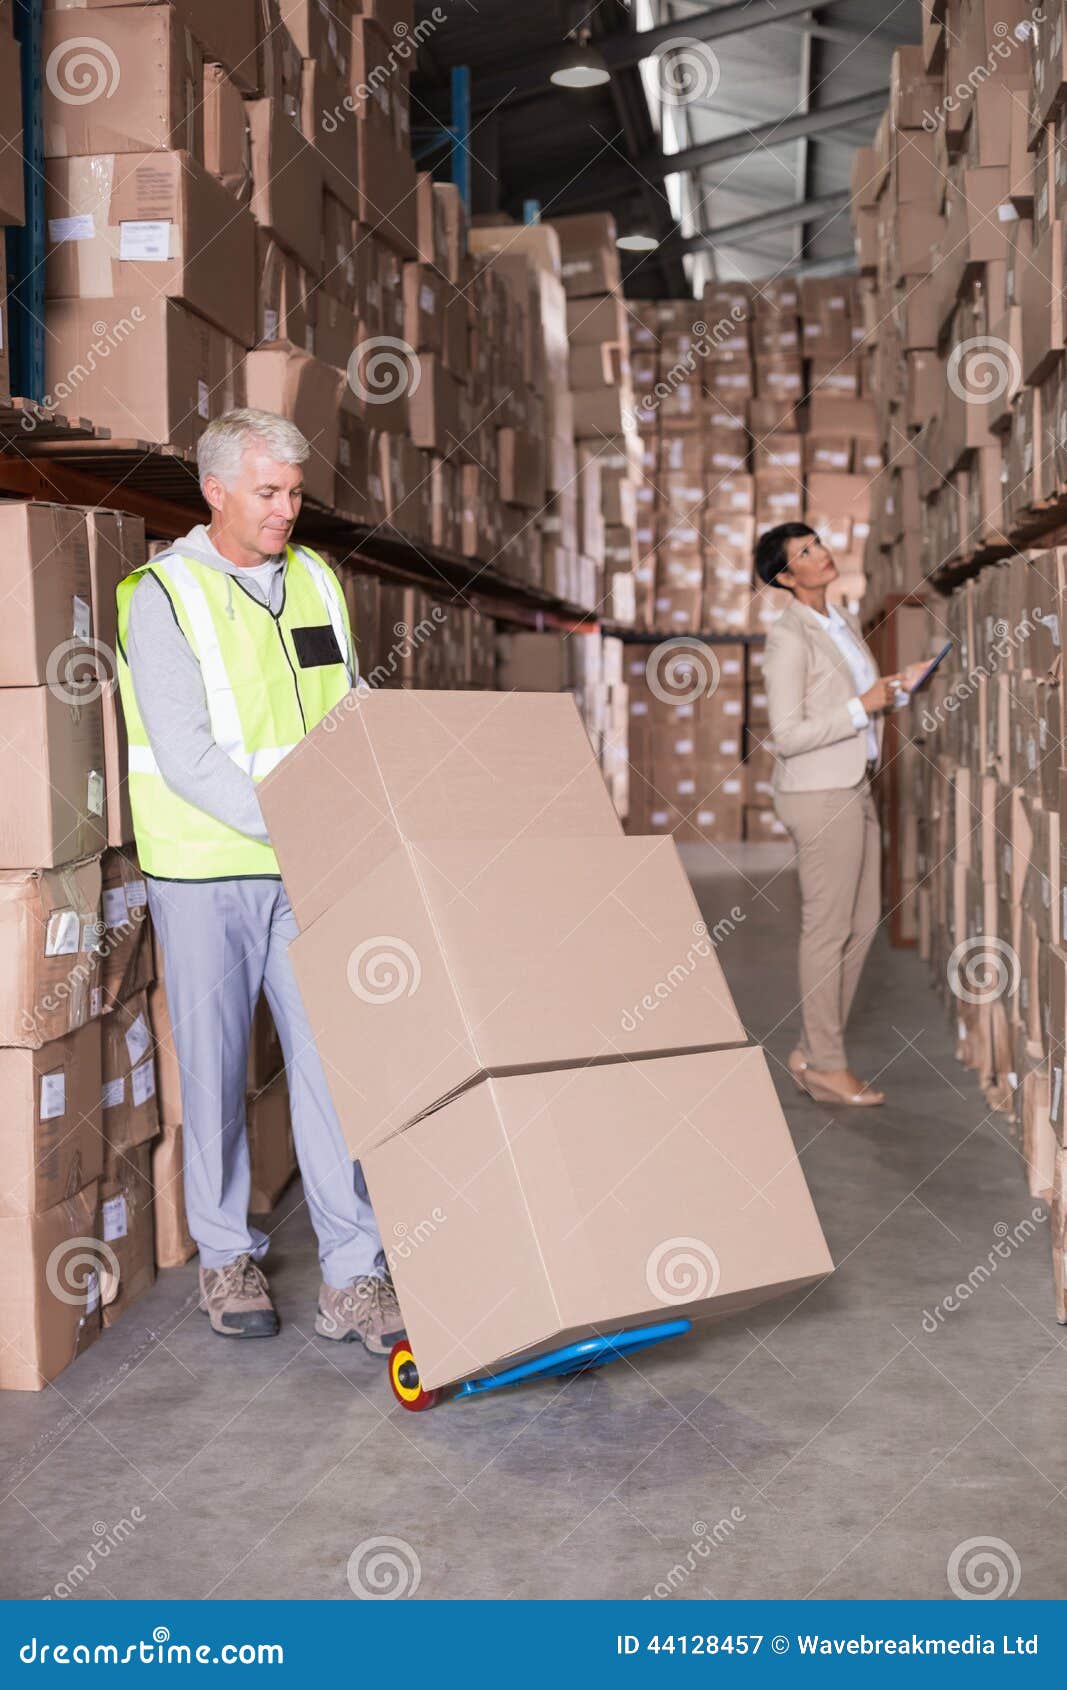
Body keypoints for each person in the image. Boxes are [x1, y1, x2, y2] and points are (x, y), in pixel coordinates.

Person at [115, 408, 406, 1353]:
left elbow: (348, 706)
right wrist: (301, 826)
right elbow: (190, 756)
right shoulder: (161, 595)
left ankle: (353, 1277)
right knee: (215, 1068)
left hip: (310, 869)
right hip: (206, 869)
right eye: (268, 492)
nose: (287, 509)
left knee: (335, 1067)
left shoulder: (317, 577)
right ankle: (224, 1254)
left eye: (293, 491)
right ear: (215, 492)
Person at [755, 523, 926, 1108]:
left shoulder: (842, 621)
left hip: (855, 784)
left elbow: (858, 701)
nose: (820, 555)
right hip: (819, 793)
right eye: (803, 553)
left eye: (818, 543)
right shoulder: (788, 638)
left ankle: (810, 1050)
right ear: (784, 577)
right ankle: (826, 1064)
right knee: (827, 928)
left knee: (864, 921)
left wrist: (893, 692)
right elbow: (786, 733)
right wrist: (861, 706)